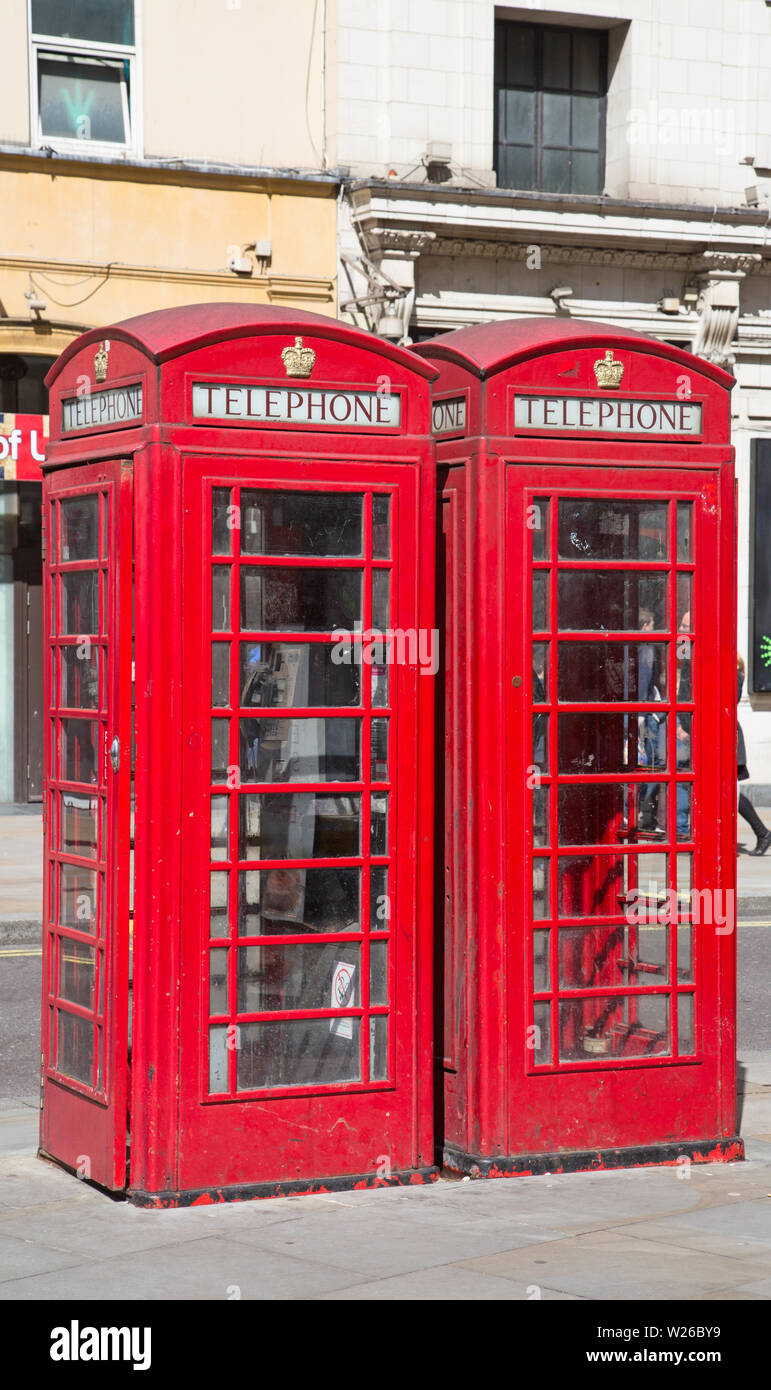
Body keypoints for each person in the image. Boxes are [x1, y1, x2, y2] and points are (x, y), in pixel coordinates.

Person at [737, 654, 771, 855]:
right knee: (732, 793)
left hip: (727, 739)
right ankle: (763, 833)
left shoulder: (734, 675)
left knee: (732, 793)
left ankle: (763, 832)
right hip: (722, 736)